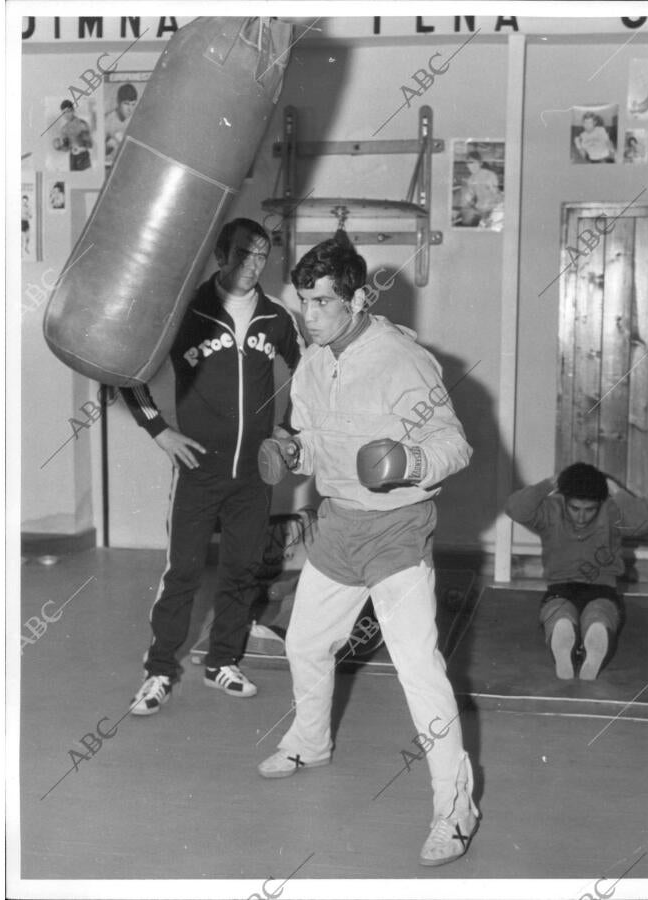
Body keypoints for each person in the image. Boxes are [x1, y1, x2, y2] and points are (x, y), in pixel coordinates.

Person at [256, 232, 479, 867]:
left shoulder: (401, 360)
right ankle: (310, 741)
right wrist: (291, 450)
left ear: (357, 299)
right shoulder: (314, 358)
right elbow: (310, 435)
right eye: (303, 301)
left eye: (322, 302)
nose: (309, 315)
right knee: (304, 642)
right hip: (339, 526)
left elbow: (455, 445)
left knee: (418, 667)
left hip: (396, 530)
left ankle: (455, 805)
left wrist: (409, 458)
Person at [121, 218, 303, 716]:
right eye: (242, 255)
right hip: (199, 469)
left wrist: (288, 428)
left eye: (261, 256)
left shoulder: (275, 318)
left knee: (242, 568)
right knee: (183, 571)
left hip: (252, 474)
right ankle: (158, 670)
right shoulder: (187, 311)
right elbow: (128, 367)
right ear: (221, 256)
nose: (251, 265)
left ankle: (223, 660)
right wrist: (160, 430)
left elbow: (309, 369)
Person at [505, 463, 648, 680]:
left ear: (600, 502)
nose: (581, 517)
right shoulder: (551, 509)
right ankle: (563, 638)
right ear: (564, 499)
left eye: (589, 510)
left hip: (603, 588)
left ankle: (596, 636)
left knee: (600, 612)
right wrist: (550, 483)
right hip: (561, 588)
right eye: (575, 508)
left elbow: (643, 522)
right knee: (558, 613)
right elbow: (515, 508)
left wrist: (617, 490)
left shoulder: (611, 510)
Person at [458, 150, 501, 227]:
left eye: (473, 162)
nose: (470, 166)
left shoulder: (489, 175)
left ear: (480, 163)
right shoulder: (471, 179)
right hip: (480, 212)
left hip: (492, 212)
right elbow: (469, 198)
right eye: (468, 163)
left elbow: (496, 195)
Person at [52, 99, 93, 171]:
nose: (66, 115)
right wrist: (59, 147)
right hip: (72, 159)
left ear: (73, 111)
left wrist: (80, 148)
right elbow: (66, 148)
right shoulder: (64, 129)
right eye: (64, 113)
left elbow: (89, 144)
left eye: (68, 111)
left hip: (84, 158)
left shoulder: (82, 124)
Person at [104, 83, 139, 166]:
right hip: (110, 166)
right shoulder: (107, 121)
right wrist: (108, 146)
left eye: (133, 104)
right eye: (126, 104)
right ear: (118, 102)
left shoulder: (135, 120)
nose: (130, 109)